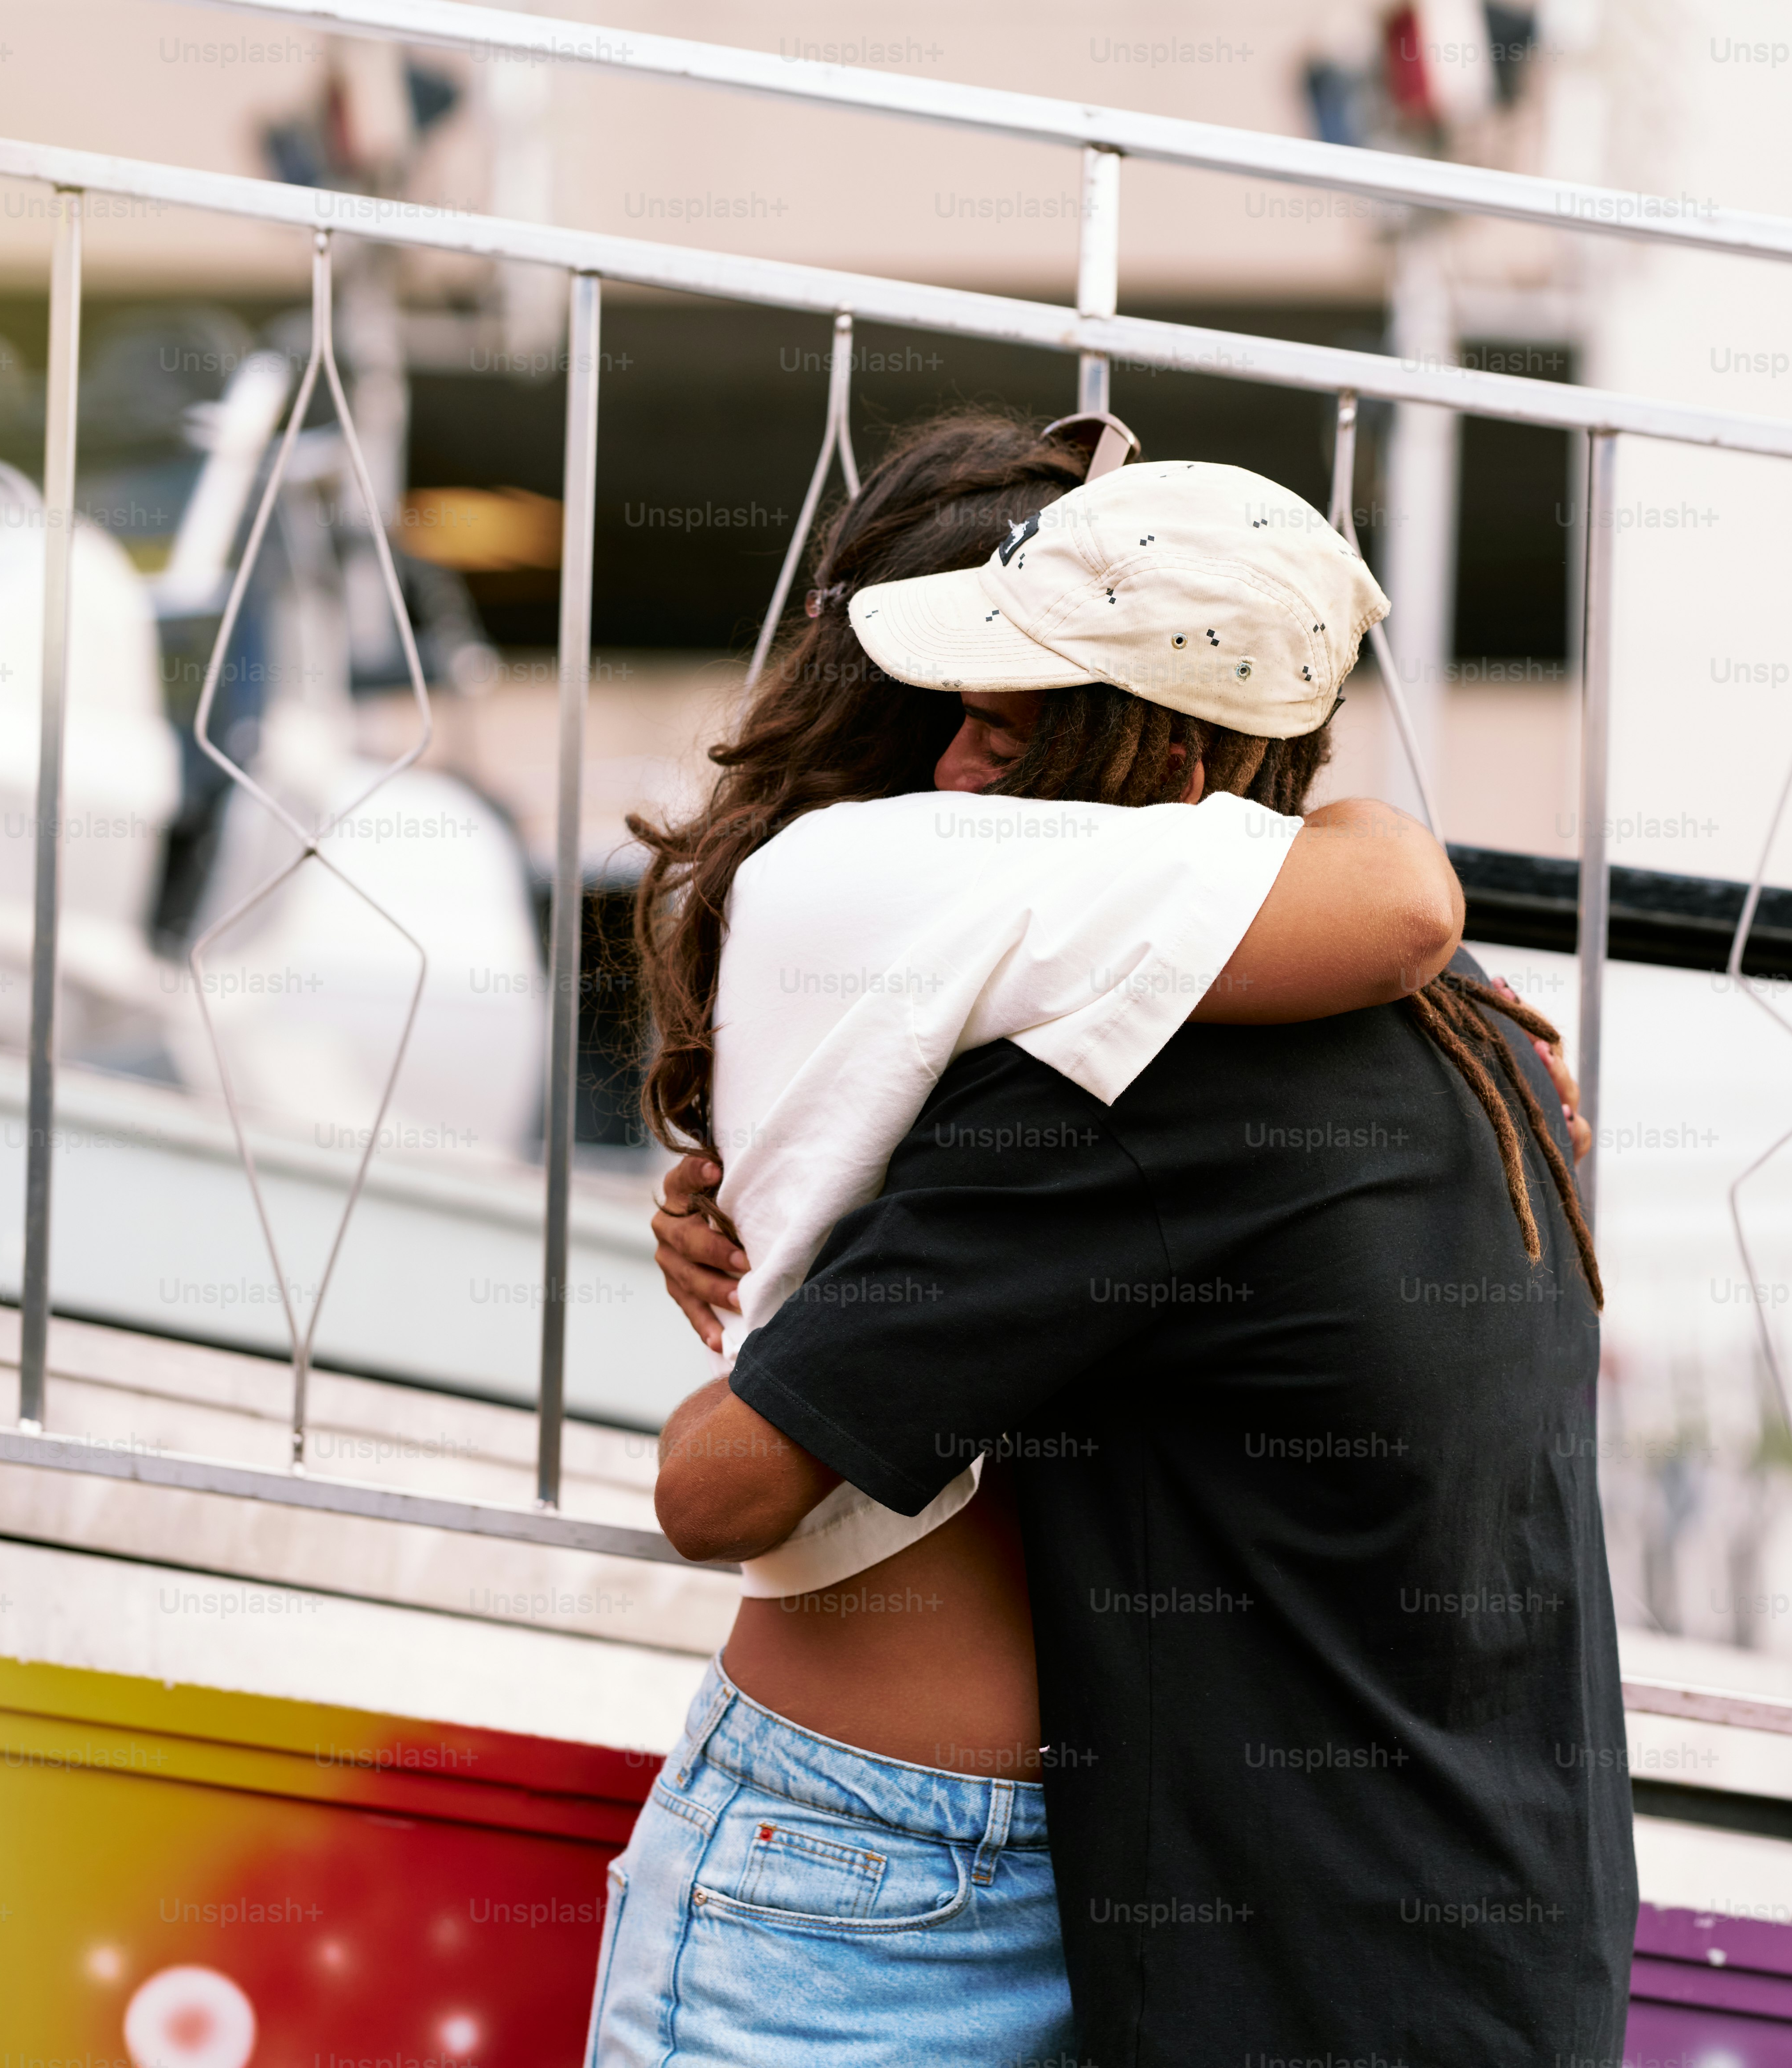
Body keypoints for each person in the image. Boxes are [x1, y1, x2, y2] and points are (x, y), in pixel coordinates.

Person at [636, 446, 1631, 2067]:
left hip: (872, 1871)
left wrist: (733, 1374)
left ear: (1157, 760)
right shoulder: (1480, 1050)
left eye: (1006, 727)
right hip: (1474, 1944)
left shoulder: (1135, 1084)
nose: (952, 770)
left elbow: (725, 1490)